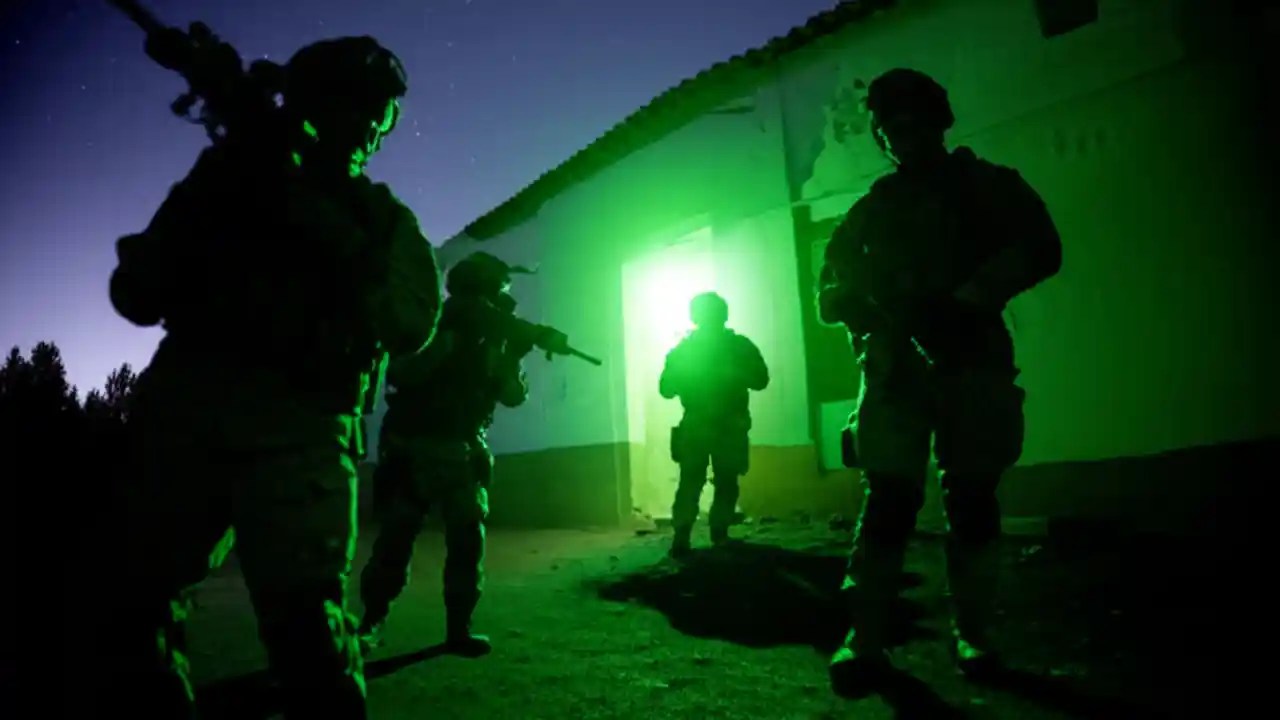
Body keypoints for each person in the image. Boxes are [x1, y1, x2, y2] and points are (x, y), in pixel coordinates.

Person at [100, 35, 441, 719]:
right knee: (132, 614)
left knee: (308, 636)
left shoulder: (378, 219)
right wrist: (225, 185)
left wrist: (314, 217)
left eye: (384, 113)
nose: (375, 126)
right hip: (185, 421)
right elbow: (135, 294)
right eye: (361, 106)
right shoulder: (226, 181)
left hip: (302, 433)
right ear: (314, 104)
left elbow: (408, 325)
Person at [818, 68, 1062, 692]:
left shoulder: (988, 185)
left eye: (913, 121)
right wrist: (859, 308)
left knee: (972, 498)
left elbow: (1041, 246)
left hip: (971, 354)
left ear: (939, 121)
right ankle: (864, 638)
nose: (902, 134)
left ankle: (975, 636)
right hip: (897, 365)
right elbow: (831, 286)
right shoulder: (872, 210)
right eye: (889, 125)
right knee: (889, 500)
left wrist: (970, 297)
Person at [357, 252, 535, 658]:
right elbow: (401, 374)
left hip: (463, 447)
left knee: (468, 543)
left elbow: (512, 396)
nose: (496, 303)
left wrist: (509, 355)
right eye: (494, 293)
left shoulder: (495, 336)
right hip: (414, 448)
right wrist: (448, 345)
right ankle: (371, 623)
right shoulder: (431, 325)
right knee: (395, 542)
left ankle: (459, 628)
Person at [659, 292, 769, 557]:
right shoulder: (738, 346)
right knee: (723, 481)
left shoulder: (685, 349)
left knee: (693, 481)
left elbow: (666, 388)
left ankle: (684, 537)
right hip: (725, 423)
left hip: (703, 423)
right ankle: (716, 535)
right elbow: (761, 380)